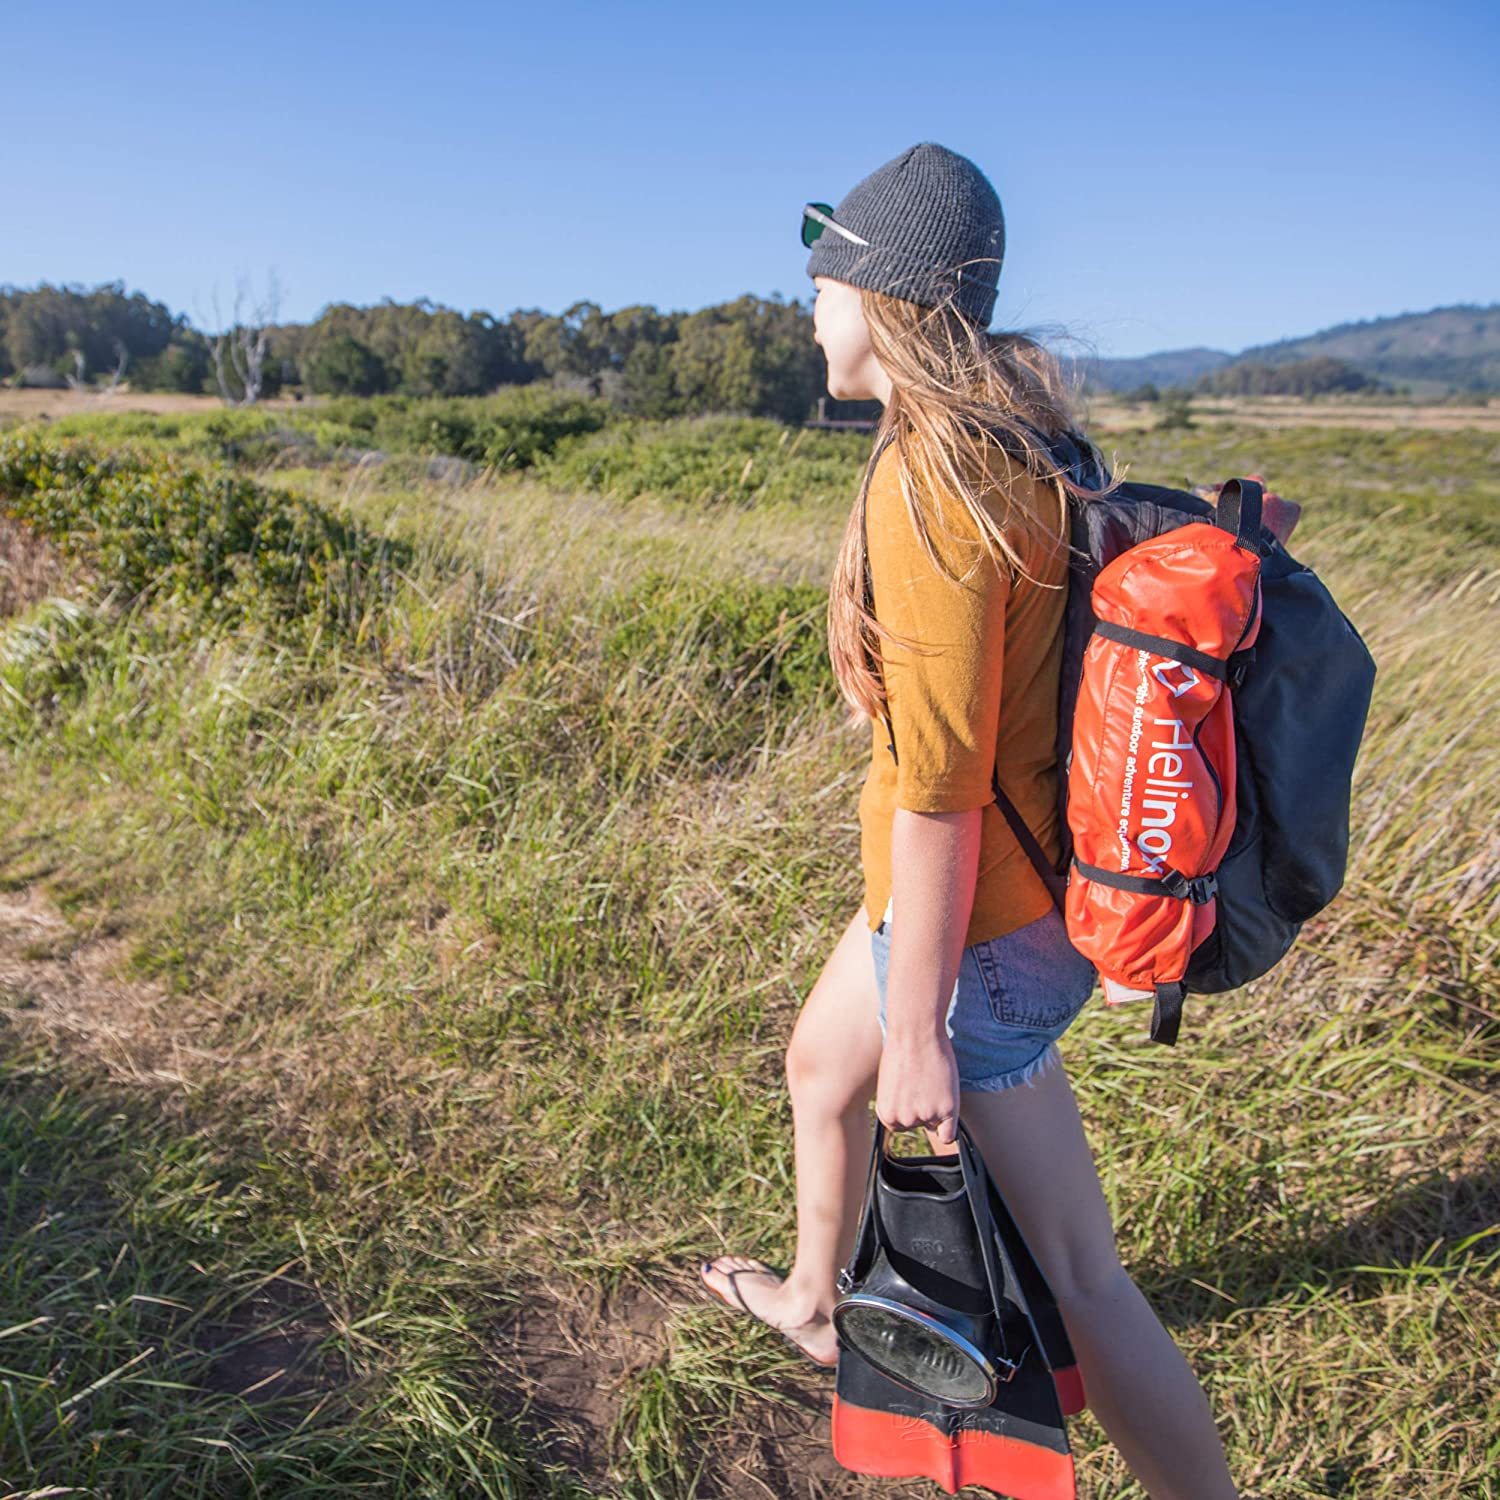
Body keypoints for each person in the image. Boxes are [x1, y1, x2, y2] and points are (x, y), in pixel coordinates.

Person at [698, 142, 1242, 1499]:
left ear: (878, 294)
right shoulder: (1010, 439)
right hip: (955, 898)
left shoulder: (936, 480)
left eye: (821, 283)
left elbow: (940, 786)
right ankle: (818, 1307)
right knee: (821, 1069)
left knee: (1079, 1271)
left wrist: (927, 1030)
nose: (808, 310)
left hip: (982, 932)